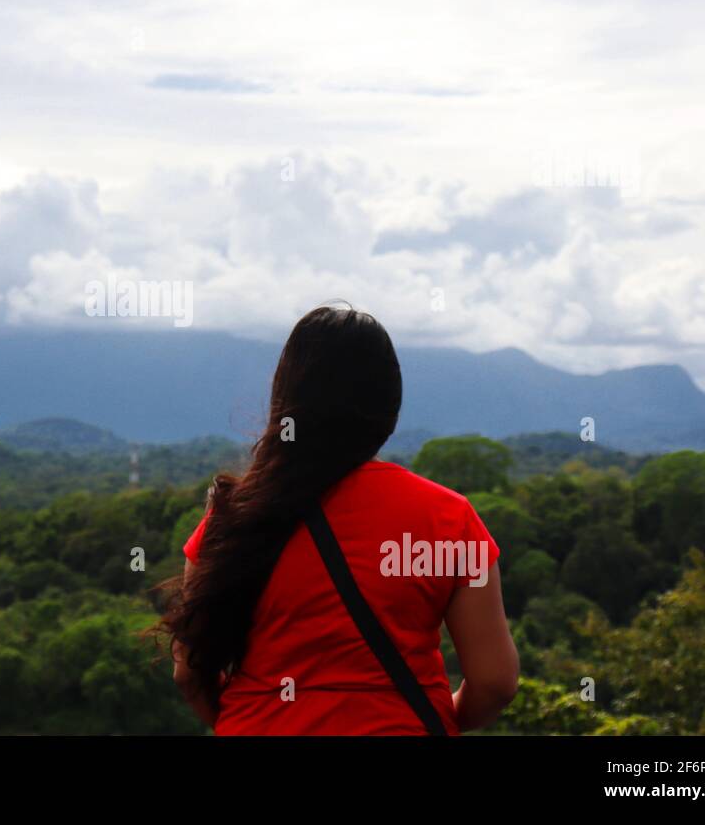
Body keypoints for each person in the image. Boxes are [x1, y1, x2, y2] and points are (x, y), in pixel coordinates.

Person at [156, 304, 519, 734]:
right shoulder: (448, 520)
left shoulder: (232, 518)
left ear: (284, 400)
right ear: (390, 405)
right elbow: (494, 681)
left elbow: (189, 672)